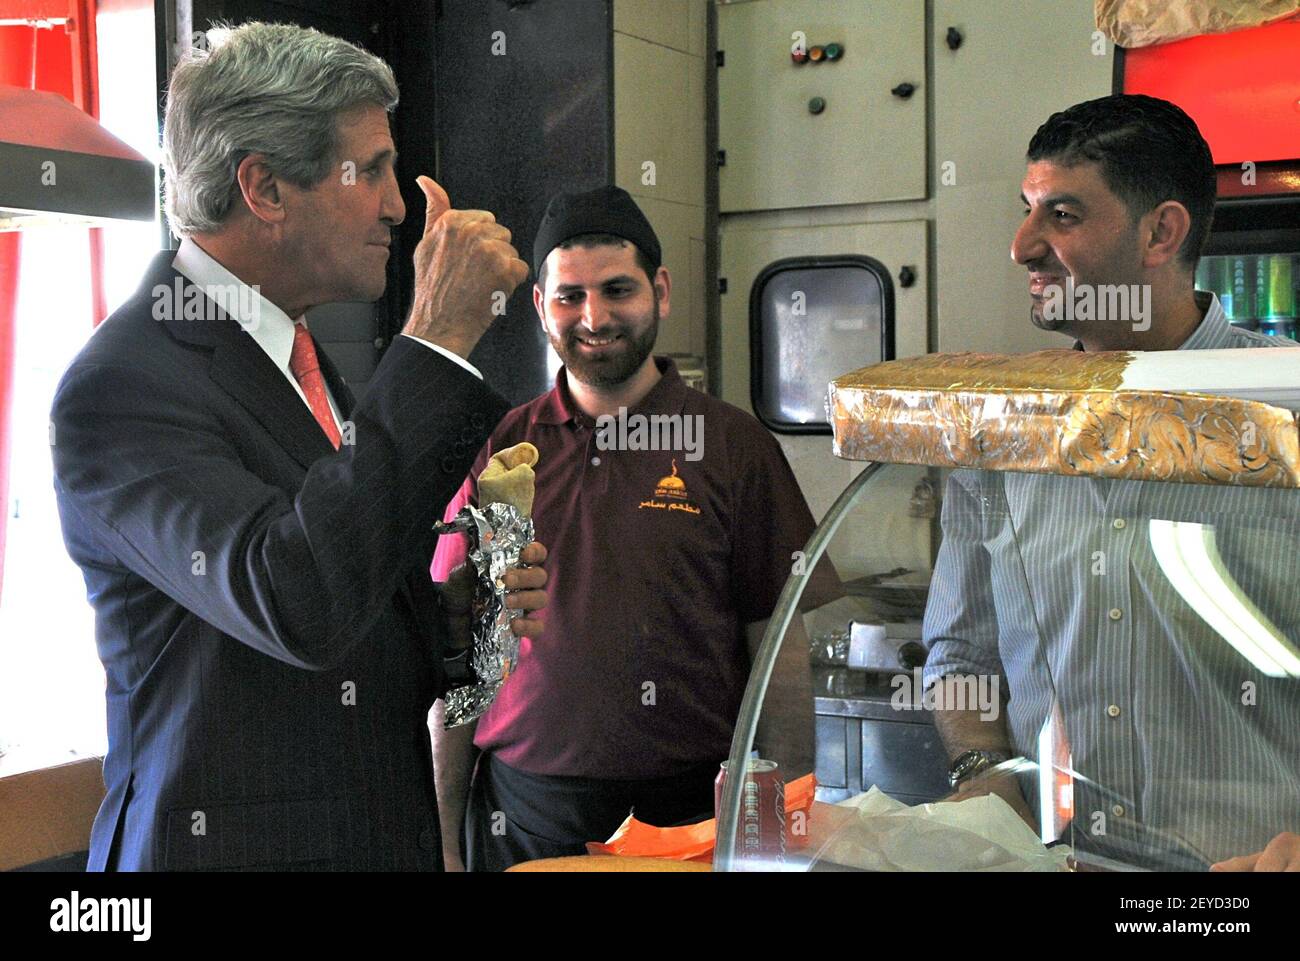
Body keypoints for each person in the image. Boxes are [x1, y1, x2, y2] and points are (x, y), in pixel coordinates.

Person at [50, 22, 547, 871]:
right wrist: (432, 341)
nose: (396, 204)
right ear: (265, 187)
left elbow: (358, 616)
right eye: (373, 169)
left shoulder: (300, 361)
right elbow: (295, 599)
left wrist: (468, 614)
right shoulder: (124, 386)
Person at [923, 94, 1300, 870]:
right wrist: (982, 775)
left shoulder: (1282, 409)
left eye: (1061, 215)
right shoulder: (997, 427)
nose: (1022, 245)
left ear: (1160, 232)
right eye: (1027, 210)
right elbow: (961, 653)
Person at [430, 185, 837, 871]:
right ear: (540, 308)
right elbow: (461, 655)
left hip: (691, 817)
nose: (595, 317)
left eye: (618, 290)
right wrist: (441, 840)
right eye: (570, 297)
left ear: (661, 291)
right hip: (524, 816)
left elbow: (782, 654)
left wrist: (781, 826)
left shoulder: (731, 444)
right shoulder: (501, 447)